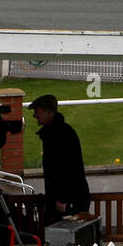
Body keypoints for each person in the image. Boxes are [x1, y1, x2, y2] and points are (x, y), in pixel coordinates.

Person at [30, 95, 90, 226]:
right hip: (63, 200)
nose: (34, 115)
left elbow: (68, 168)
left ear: (49, 112)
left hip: (67, 202)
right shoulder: (56, 133)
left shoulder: (60, 135)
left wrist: (63, 199)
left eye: (37, 111)